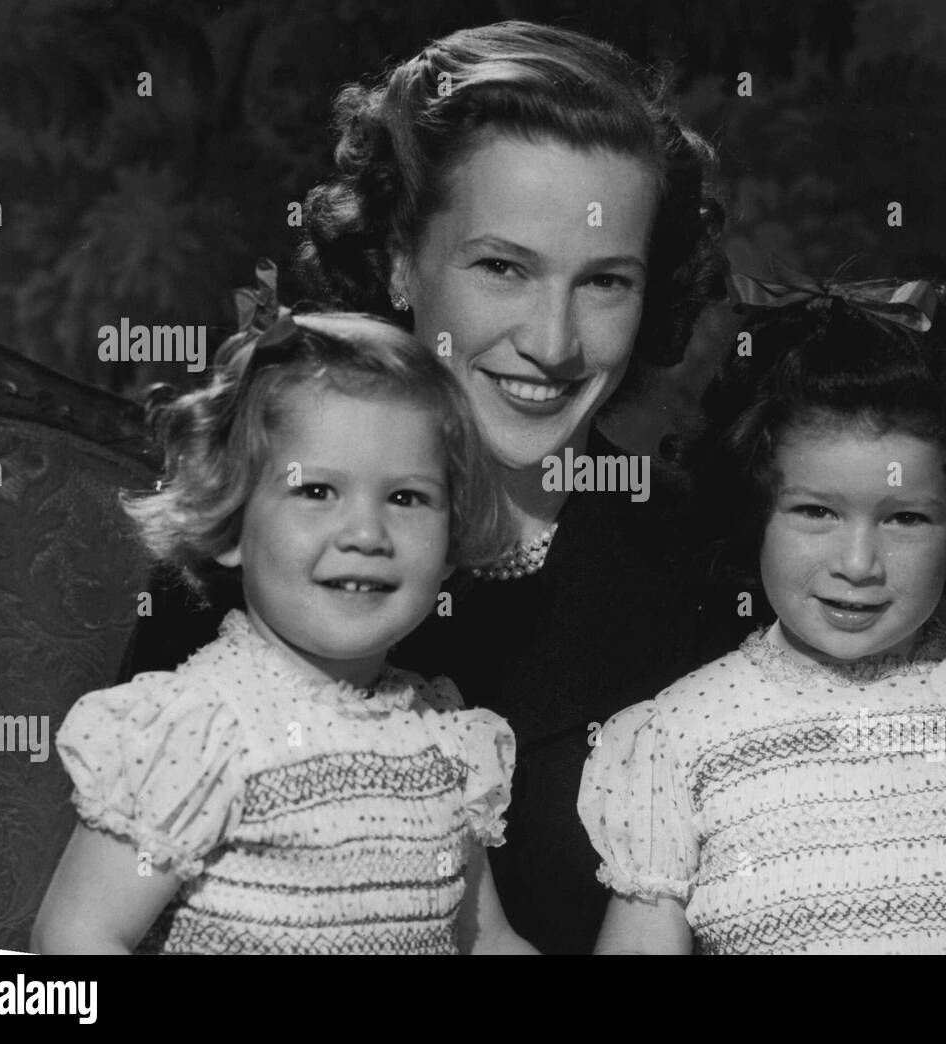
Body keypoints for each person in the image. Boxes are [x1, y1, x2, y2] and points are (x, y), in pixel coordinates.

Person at [115, 21, 744, 954]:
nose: (554, 342)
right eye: (502, 267)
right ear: (404, 260)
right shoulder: (256, 536)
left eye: (605, 281)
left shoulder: (712, 560)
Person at [578, 276, 946, 954]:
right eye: (817, 512)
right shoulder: (676, 739)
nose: (859, 563)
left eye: (906, 518)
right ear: (753, 507)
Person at [34, 277, 534, 954]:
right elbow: (79, 935)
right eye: (319, 490)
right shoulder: (201, 730)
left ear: (452, 540)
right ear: (234, 519)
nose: (366, 532)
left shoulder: (444, 741)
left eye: (408, 499)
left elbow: (486, 941)